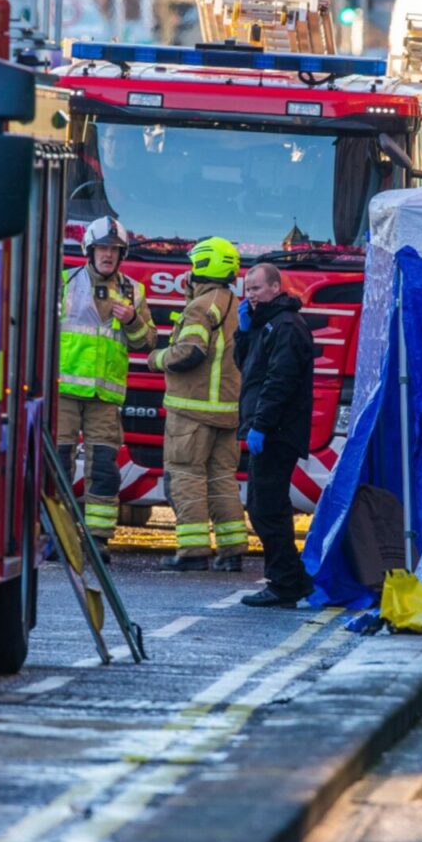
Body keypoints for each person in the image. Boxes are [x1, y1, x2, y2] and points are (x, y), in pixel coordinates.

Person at [148, 236, 248, 571]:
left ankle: (192, 553)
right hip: (227, 410)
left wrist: (158, 357)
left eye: (193, 265)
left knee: (185, 475)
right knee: (221, 477)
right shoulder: (234, 303)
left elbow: (190, 352)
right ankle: (232, 552)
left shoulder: (200, 307)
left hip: (191, 408)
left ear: (203, 266)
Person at [57, 217, 156, 543]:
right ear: (89, 249)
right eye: (102, 247)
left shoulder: (133, 292)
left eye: (114, 249)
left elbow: (147, 342)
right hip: (65, 392)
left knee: (103, 470)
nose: (108, 255)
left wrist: (132, 319)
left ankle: (98, 538)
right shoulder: (65, 283)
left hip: (105, 396)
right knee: (57, 467)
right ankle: (56, 534)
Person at [233, 262, 318, 607]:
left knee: (267, 508)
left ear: (274, 288)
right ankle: (293, 579)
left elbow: (278, 383)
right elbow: (249, 368)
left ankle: (285, 583)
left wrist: (262, 426)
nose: (250, 295)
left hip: (276, 431)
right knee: (264, 506)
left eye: (255, 288)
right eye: (247, 289)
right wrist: (244, 332)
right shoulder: (266, 324)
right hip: (270, 429)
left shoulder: (285, 326)